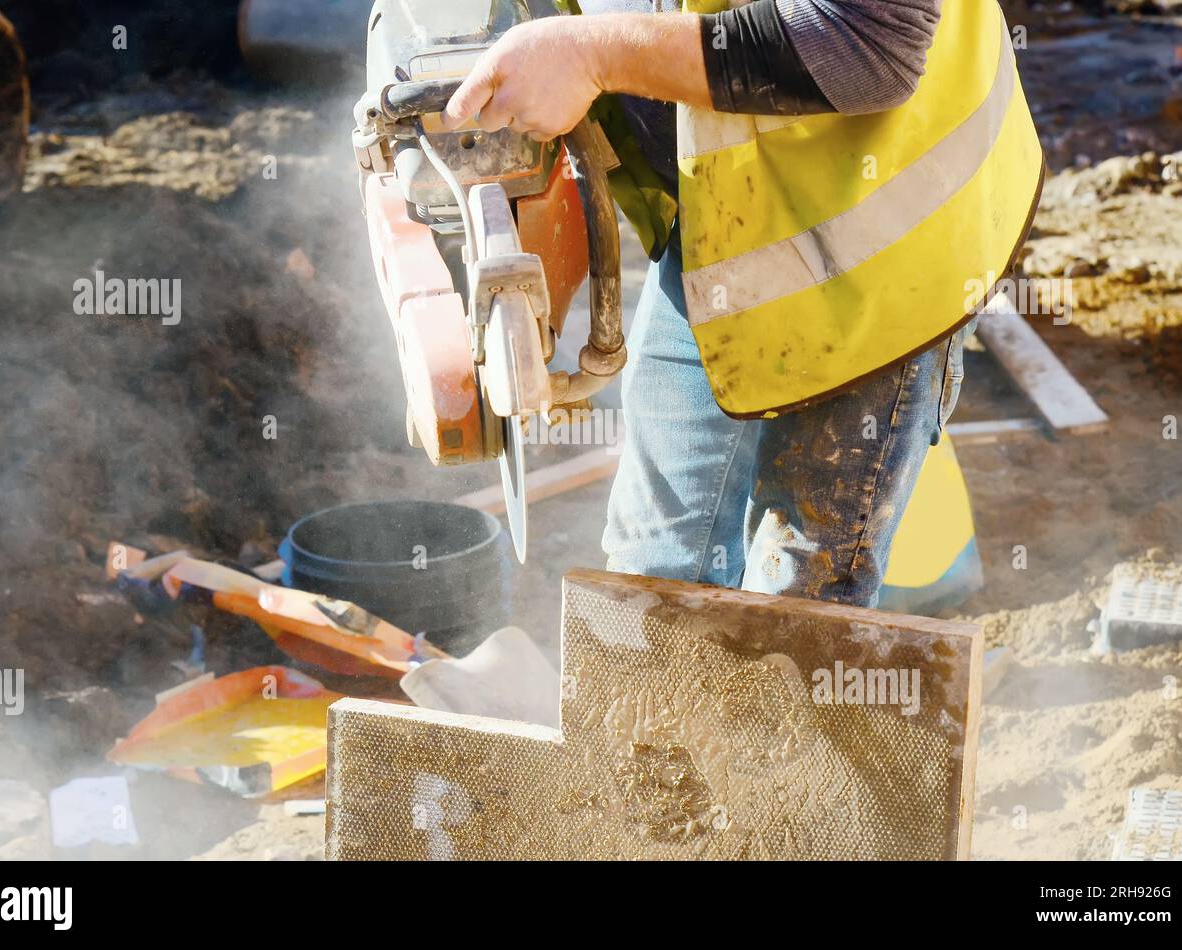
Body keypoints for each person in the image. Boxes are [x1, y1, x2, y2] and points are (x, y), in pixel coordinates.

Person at [442, 0, 1042, 607]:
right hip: (723, 215)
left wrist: (593, 53)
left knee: (793, 610)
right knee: (651, 574)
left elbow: (870, 48)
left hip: (883, 237)